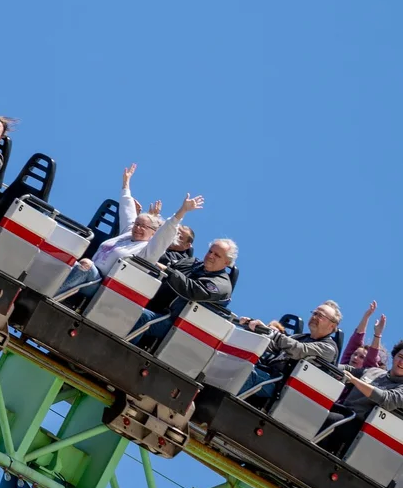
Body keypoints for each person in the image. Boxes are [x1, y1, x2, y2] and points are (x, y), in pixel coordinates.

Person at [57, 166, 199, 297]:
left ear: (154, 232)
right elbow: (127, 210)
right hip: (85, 274)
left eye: (144, 227)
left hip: (101, 288)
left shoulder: (148, 251)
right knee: (64, 257)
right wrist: (126, 183)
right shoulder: (128, 233)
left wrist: (182, 211)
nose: (138, 228)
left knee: (86, 264)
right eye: (137, 224)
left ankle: (52, 292)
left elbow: (166, 232)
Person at [133, 238, 238, 346]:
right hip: (155, 305)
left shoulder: (222, 284)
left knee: (141, 316)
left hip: (176, 323)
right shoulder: (191, 262)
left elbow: (194, 291)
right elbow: (165, 263)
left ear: (227, 262)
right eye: (210, 251)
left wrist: (168, 271)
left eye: (217, 255)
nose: (210, 256)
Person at [234, 302, 342, 401]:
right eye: (314, 313)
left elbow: (299, 350)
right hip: (270, 375)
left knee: (243, 372)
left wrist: (273, 333)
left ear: (332, 326)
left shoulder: (329, 348)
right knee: (233, 358)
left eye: (320, 315)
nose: (314, 317)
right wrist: (253, 329)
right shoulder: (300, 337)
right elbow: (272, 346)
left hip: (282, 388)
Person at [319, 342, 403, 455]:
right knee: (317, 406)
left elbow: (387, 400)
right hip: (342, 410)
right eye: (400, 357)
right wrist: (327, 364)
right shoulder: (375, 371)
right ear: (395, 356)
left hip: (360, 425)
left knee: (328, 418)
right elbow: (350, 370)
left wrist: (355, 381)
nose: (401, 362)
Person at [341, 302, 388, 372]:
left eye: (362, 357)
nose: (355, 358)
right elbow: (356, 339)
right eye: (355, 354)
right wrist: (366, 316)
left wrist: (377, 334)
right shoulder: (345, 363)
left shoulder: (366, 373)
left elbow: (372, 357)